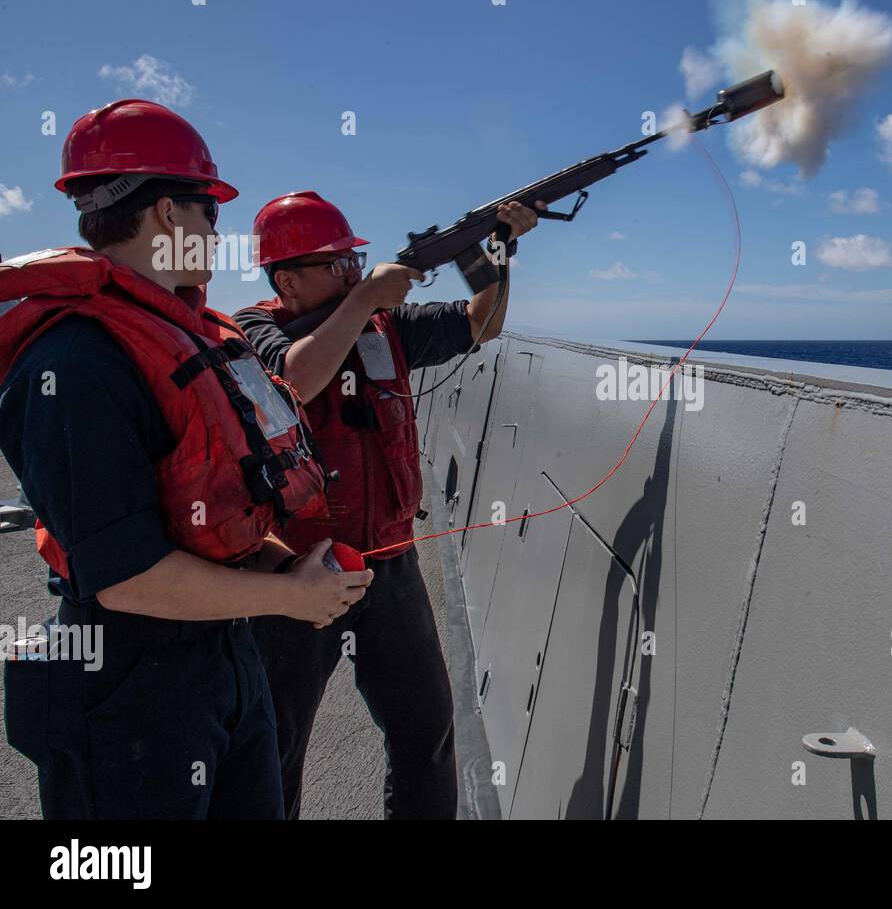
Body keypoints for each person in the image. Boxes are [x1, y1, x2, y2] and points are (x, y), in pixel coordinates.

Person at [0, 100, 374, 819]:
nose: (213, 233)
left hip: (221, 661)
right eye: (209, 214)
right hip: (126, 687)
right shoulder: (77, 361)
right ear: (169, 214)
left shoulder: (194, 335)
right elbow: (127, 578)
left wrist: (275, 563)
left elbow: (208, 499)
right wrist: (291, 599)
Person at [235, 189, 540, 818]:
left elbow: (483, 322)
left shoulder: (386, 329)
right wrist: (364, 297)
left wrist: (488, 254)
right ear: (285, 279)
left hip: (391, 563)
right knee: (276, 746)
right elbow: (295, 380)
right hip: (297, 571)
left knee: (426, 732)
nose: (352, 271)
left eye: (355, 261)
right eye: (336, 264)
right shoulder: (251, 329)